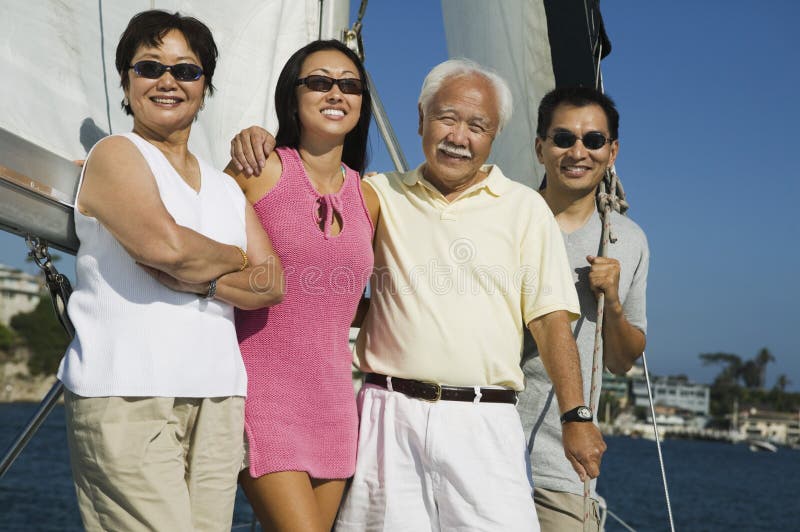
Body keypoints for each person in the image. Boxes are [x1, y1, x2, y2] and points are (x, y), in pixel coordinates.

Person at [232, 58, 605, 531]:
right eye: (447, 118)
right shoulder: (378, 194)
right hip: (387, 420)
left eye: (477, 125)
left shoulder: (526, 209)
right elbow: (316, 259)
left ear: (494, 137)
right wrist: (260, 139)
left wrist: (576, 415)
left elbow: (551, 322)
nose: (458, 136)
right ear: (421, 119)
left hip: (483, 422)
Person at [57, 10, 284, 532]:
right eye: (149, 67)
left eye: (186, 70)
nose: (167, 81)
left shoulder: (225, 187)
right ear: (125, 80)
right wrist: (236, 258)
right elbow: (167, 248)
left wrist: (202, 275)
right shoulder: (116, 154)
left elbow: (273, 283)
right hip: (128, 393)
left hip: (219, 395)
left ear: (205, 87)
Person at [225, 40, 375, 532]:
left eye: (349, 85)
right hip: (262, 391)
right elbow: (197, 241)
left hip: (334, 401)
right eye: (319, 81)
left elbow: (349, 300)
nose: (336, 92)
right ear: (293, 96)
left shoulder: (368, 197)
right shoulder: (258, 169)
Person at [517, 87, 649, 531]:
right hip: (483, 450)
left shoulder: (628, 241)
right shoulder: (504, 222)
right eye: (562, 138)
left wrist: (611, 301)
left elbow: (621, 360)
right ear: (540, 147)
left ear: (611, 152)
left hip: (563, 469)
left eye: (593, 141)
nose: (578, 151)